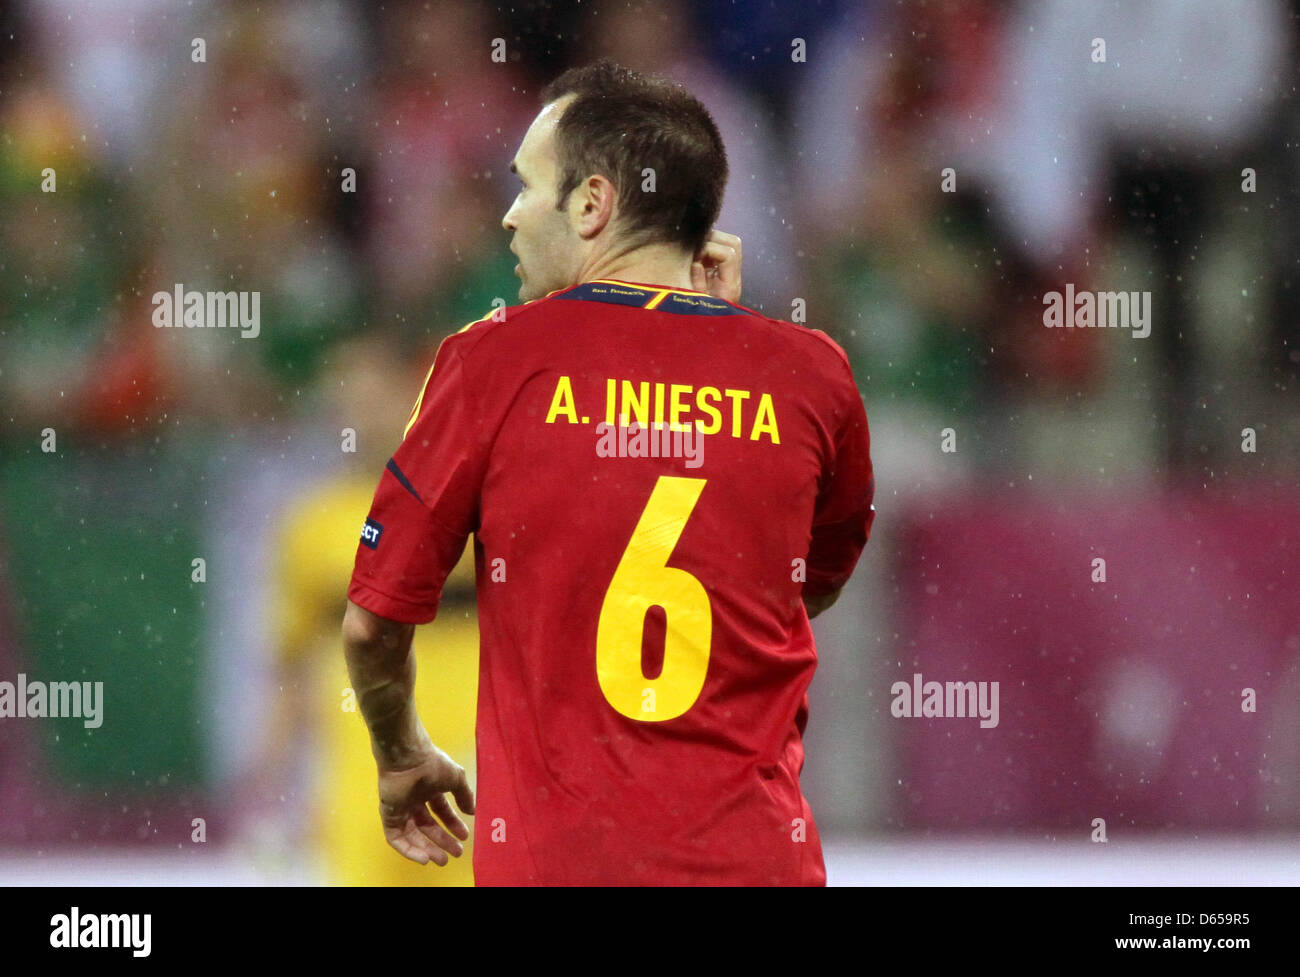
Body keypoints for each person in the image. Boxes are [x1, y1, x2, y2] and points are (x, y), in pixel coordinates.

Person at [342, 59, 875, 885]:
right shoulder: (815, 377)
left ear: (592, 205)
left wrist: (402, 750)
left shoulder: (492, 364)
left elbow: (374, 624)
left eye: (526, 186)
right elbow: (808, 583)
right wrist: (717, 338)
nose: (510, 216)